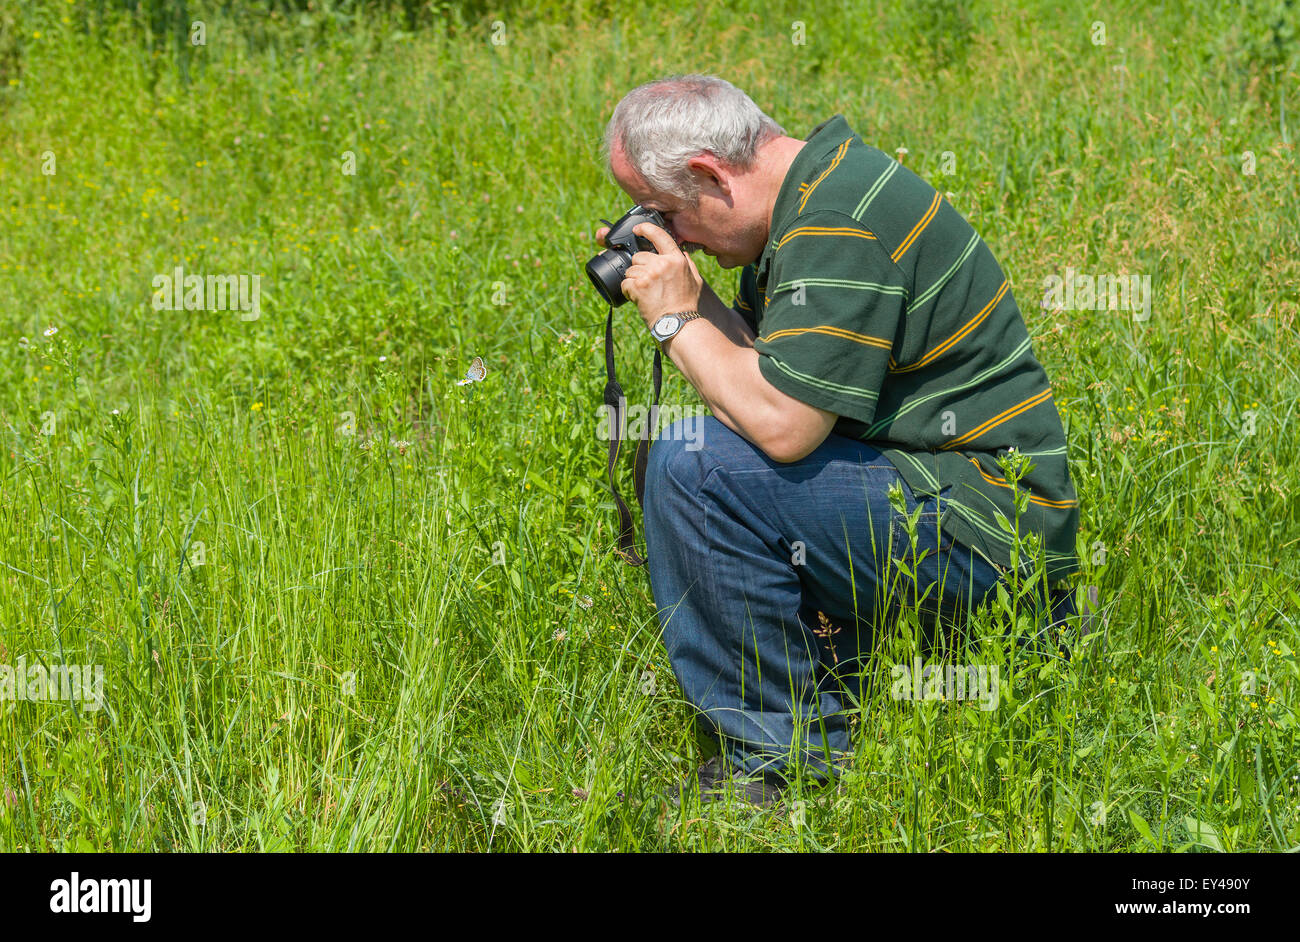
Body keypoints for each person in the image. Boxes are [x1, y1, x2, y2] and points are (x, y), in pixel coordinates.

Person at [596, 74, 1086, 806]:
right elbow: (769, 373)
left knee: (695, 465)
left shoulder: (839, 225)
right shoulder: (815, 194)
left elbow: (784, 428)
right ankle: (844, 665)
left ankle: (784, 761)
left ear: (708, 173)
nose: (675, 234)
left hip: (993, 534)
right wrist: (694, 303)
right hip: (948, 494)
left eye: (667, 212)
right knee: (706, 452)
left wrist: (675, 323)